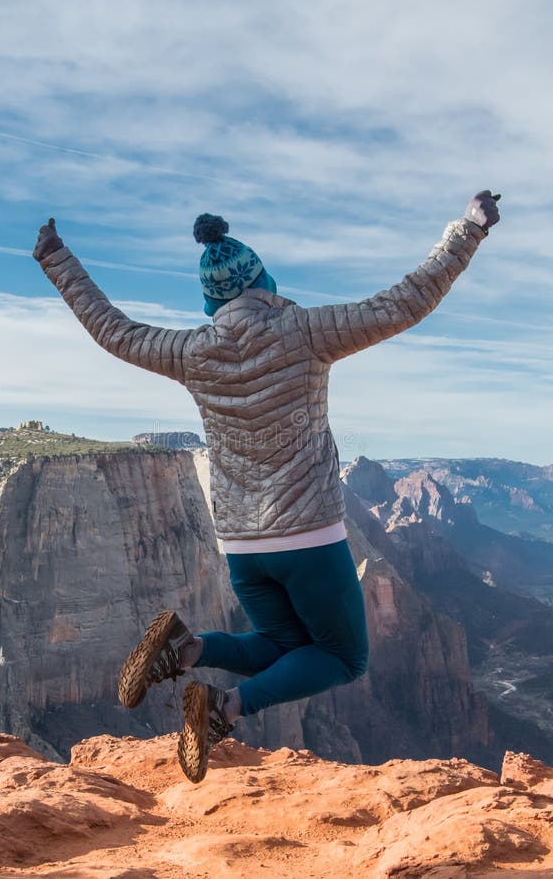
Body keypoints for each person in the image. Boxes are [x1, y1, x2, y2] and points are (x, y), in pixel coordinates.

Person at [33, 190, 500, 783]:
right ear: (263, 279)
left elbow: (113, 331)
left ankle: (188, 649)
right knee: (342, 659)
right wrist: (468, 229)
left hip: (241, 546)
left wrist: (56, 258)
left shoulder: (188, 351)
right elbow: (406, 301)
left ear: (210, 299)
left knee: (282, 646)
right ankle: (224, 707)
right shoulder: (308, 331)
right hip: (309, 535)